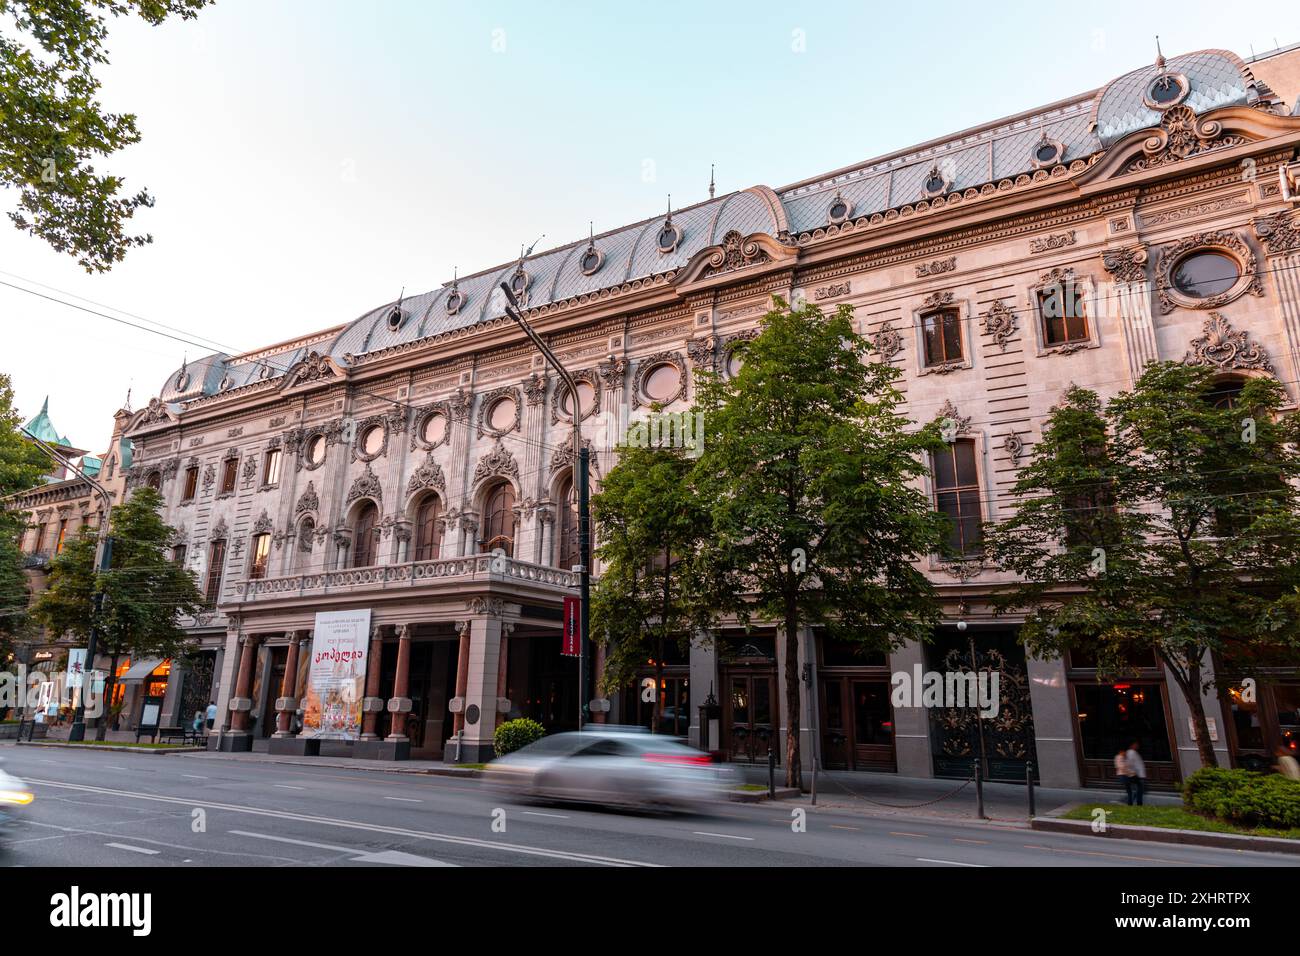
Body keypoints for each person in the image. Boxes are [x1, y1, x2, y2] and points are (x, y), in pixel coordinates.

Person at [1124, 740, 1146, 805]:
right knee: (1137, 790)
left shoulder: (1132, 752)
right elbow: (1131, 764)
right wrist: (1135, 773)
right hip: (1135, 775)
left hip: (1136, 775)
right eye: (1135, 744)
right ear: (1132, 745)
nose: (1137, 746)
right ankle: (1135, 803)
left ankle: (1131, 802)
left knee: (1137, 790)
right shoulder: (1131, 752)